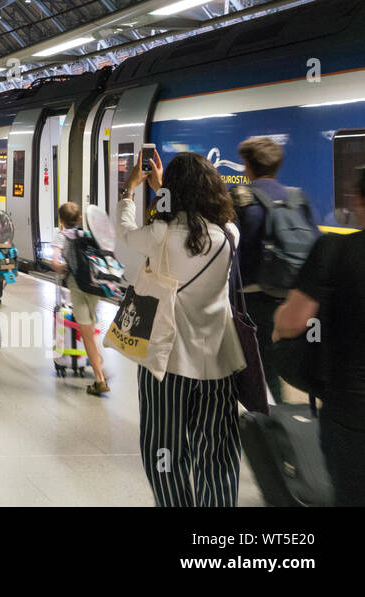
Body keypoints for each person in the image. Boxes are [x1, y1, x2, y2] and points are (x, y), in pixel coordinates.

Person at [118, 150, 245, 507]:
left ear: (174, 190)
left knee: (165, 451)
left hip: (166, 365)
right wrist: (166, 192)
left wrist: (131, 192)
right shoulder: (230, 235)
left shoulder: (158, 235)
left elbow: (125, 235)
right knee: (218, 455)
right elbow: (194, 231)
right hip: (218, 365)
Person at [273, 165, 365, 506]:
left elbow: (294, 321)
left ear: (357, 199)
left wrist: (279, 319)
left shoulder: (334, 250)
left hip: (351, 411)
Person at [230, 136, 317, 404]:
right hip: (293, 300)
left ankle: (269, 428)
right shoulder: (297, 199)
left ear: (247, 165)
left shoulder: (240, 199)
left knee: (259, 368)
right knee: (276, 365)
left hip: (252, 301)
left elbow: (230, 254)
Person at [52, 202, 110, 396]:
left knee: (86, 334)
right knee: (91, 329)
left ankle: (99, 378)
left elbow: (55, 263)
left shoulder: (61, 236)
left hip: (77, 287)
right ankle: (99, 363)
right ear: (79, 219)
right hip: (96, 286)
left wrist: (62, 268)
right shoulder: (87, 235)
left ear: (61, 221)